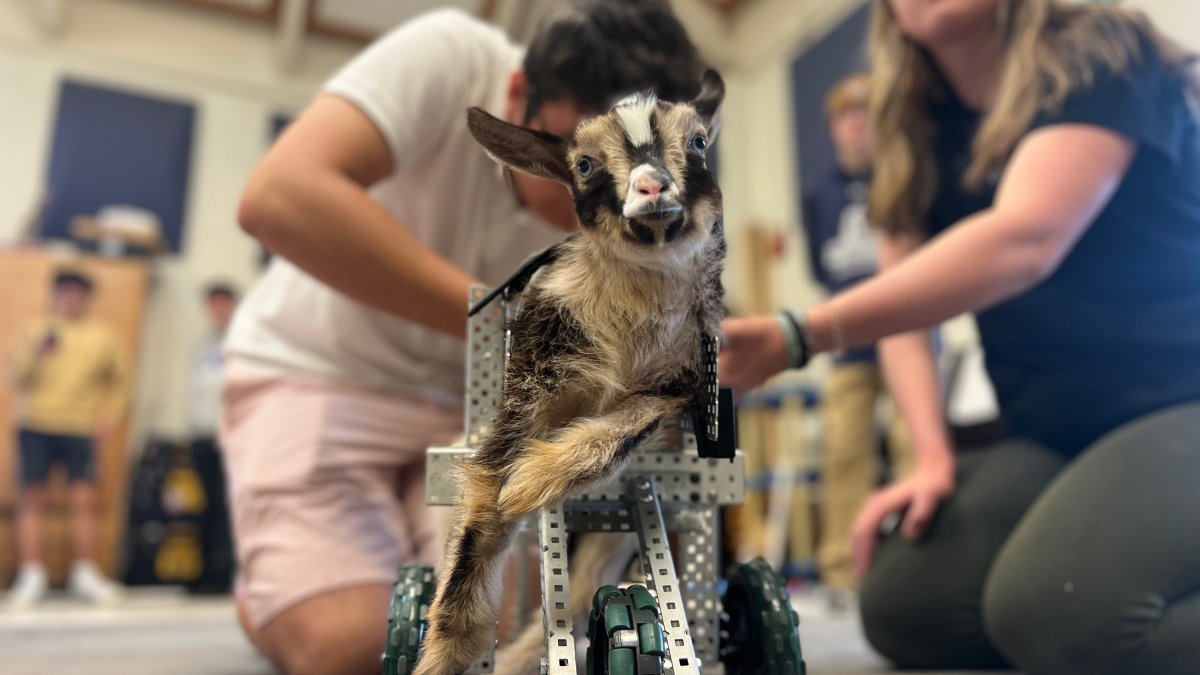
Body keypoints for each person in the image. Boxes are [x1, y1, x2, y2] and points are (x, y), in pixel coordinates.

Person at [720, 1, 1200, 673]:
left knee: (1060, 614)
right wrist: (931, 457)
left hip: (1182, 403)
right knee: (905, 606)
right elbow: (905, 314)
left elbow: (1026, 238)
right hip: (1053, 433)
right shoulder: (918, 120)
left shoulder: (1098, 52)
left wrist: (800, 333)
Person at [224, 3, 705, 673]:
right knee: (351, 646)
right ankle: (268, 591)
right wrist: (499, 316)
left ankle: (340, 553)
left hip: (473, 407)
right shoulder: (451, 56)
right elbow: (277, 196)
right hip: (315, 367)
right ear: (515, 100)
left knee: (500, 635)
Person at [801, 72, 914, 600]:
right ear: (834, 128)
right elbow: (820, 267)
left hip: (910, 333)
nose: (857, 127)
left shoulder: (902, 178)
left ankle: (920, 557)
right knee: (844, 451)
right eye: (847, 117)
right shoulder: (818, 195)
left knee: (914, 443)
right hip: (848, 341)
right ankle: (842, 569)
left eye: (865, 116)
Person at [6, 269, 129, 609]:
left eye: (78, 292)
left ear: (87, 297)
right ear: (56, 295)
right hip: (35, 423)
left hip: (80, 427)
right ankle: (31, 575)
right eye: (65, 292)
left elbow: (121, 381)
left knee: (84, 500)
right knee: (32, 499)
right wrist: (37, 353)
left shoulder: (103, 336)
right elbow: (16, 376)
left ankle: (85, 573)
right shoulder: (36, 331)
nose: (71, 298)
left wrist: (110, 417)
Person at [185, 282, 238, 594]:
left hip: (230, 439)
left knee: (226, 507)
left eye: (224, 303)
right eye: (213, 304)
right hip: (202, 437)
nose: (218, 311)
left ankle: (224, 573)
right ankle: (205, 572)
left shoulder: (243, 345)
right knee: (205, 506)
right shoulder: (201, 346)